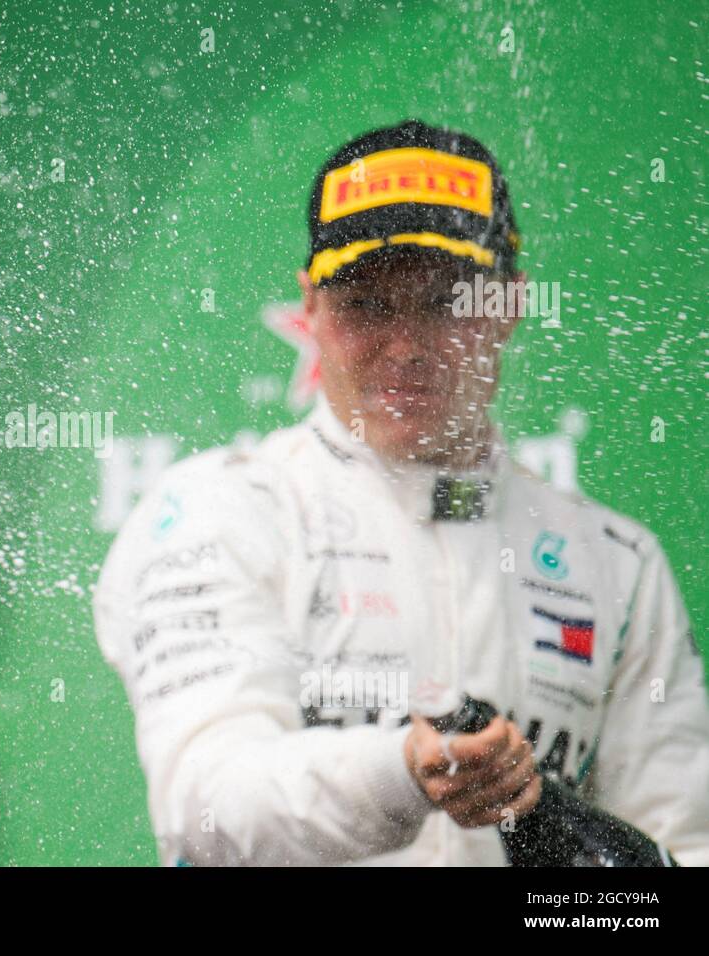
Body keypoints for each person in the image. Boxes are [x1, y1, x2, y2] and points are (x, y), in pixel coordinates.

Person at [93, 120, 709, 866]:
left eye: (446, 301)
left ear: (509, 305)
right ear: (311, 308)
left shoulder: (617, 565)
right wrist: (404, 770)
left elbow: (680, 846)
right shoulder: (217, 513)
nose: (408, 345)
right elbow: (207, 806)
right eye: (366, 303)